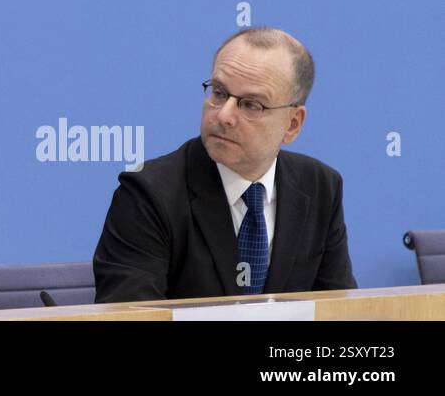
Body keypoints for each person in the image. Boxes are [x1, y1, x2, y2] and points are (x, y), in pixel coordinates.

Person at [93, 26, 356, 303]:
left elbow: (339, 310)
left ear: (292, 124)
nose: (224, 115)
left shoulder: (319, 187)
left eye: (251, 105)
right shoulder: (149, 193)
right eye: (219, 93)